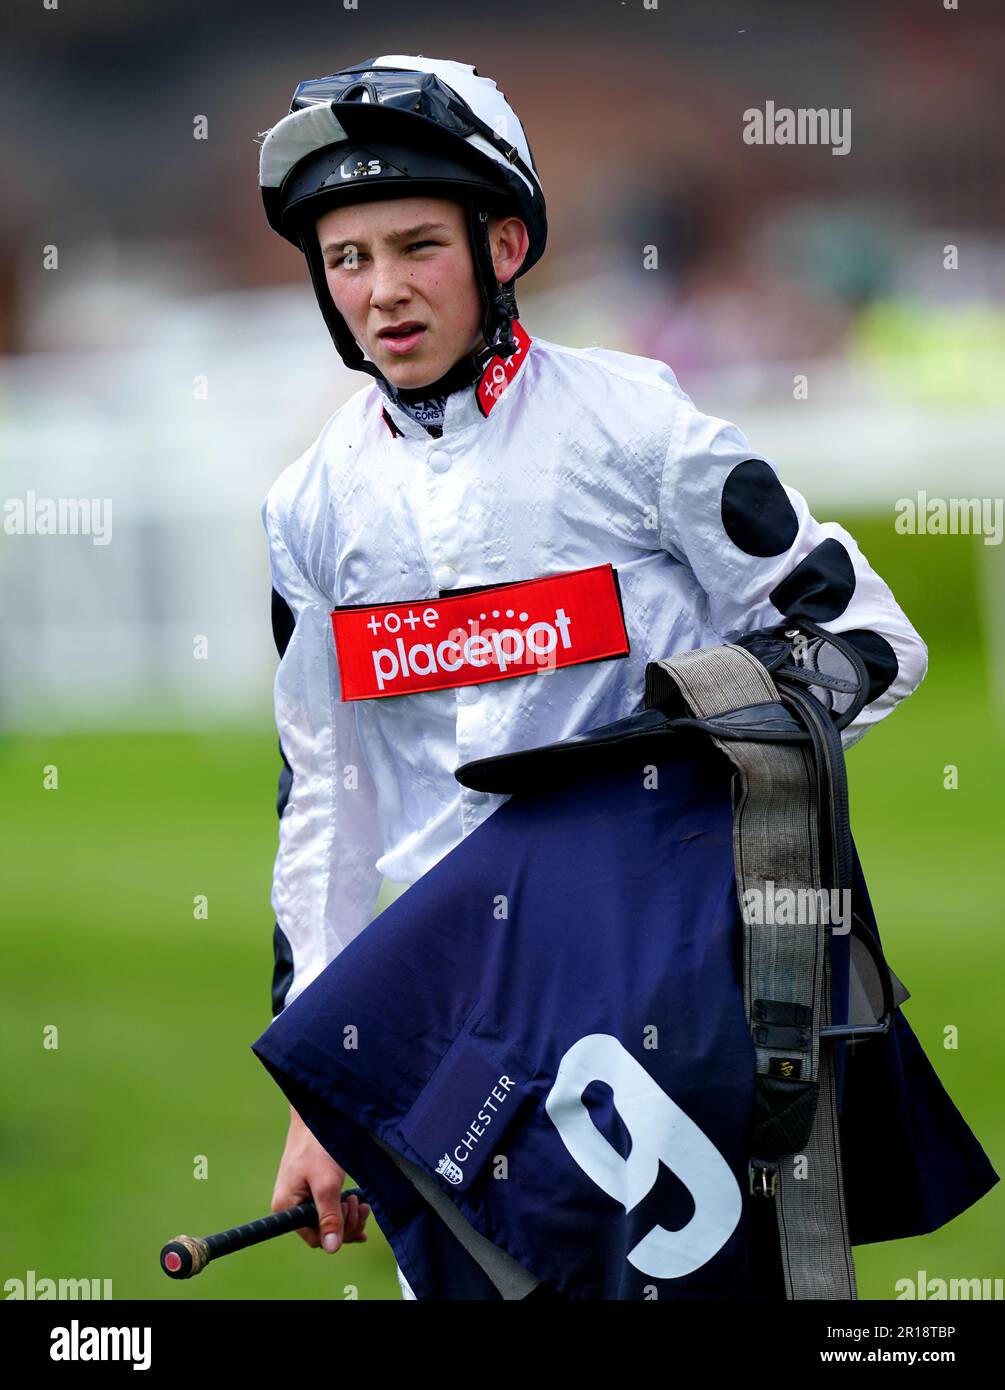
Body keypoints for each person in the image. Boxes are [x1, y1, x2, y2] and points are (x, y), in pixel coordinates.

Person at [255, 56, 930, 1299]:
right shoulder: (308, 510)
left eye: (417, 246)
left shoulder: (638, 427)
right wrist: (323, 1098)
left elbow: (872, 645)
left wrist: (674, 776)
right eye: (348, 259)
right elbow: (324, 813)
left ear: (504, 242)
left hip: (661, 1005)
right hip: (455, 1037)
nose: (383, 291)